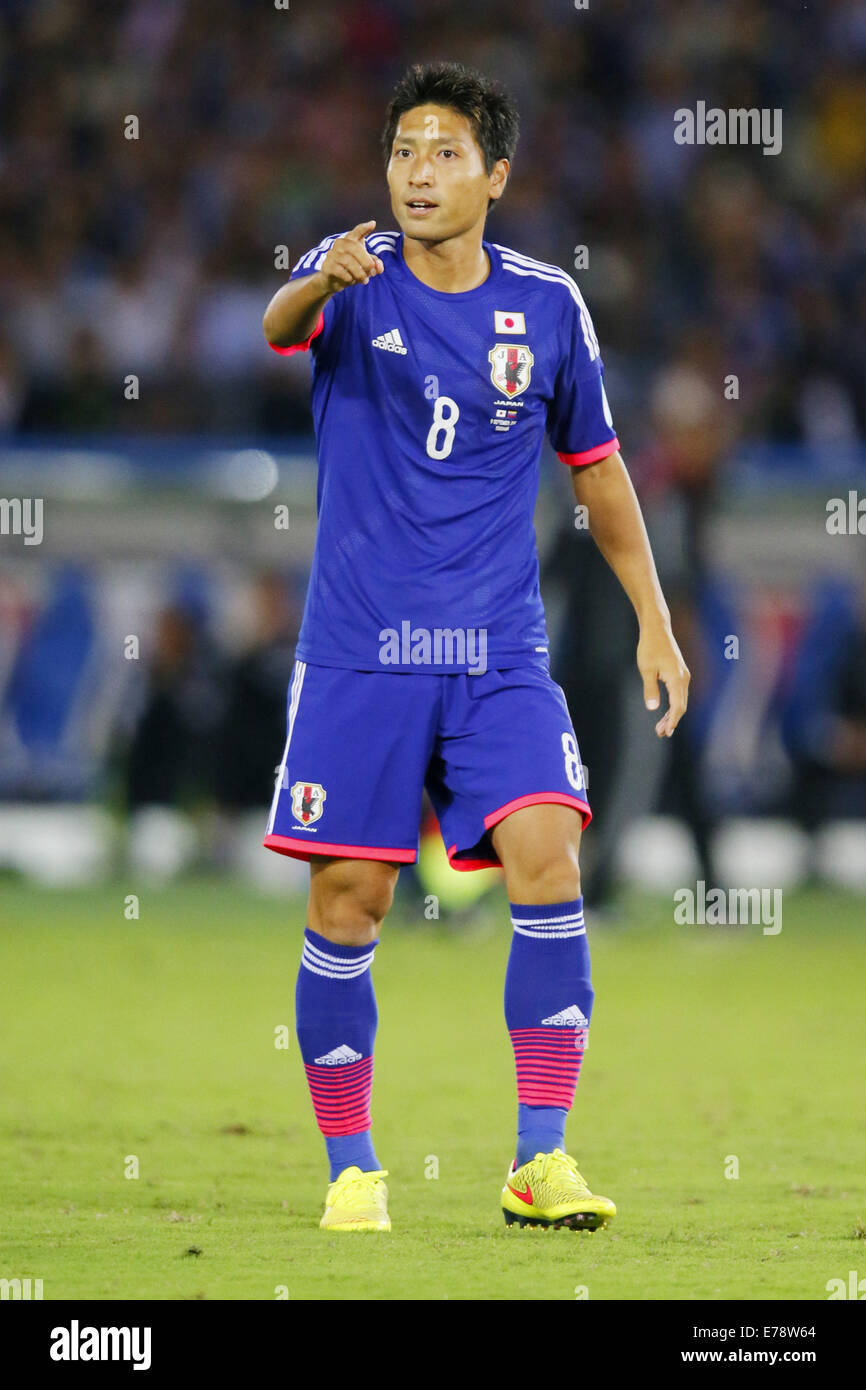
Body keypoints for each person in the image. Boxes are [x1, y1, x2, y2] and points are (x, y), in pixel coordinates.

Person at [262, 61, 689, 1234]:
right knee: (346, 902)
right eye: (403, 151)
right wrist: (316, 278)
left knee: (550, 857)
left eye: (444, 153)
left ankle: (537, 1160)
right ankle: (352, 1168)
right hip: (360, 652)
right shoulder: (348, 270)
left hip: (497, 650)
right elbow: (274, 325)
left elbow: (596, 472)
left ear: (494, 175)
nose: (417, 172)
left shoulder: (548, 304)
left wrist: (653, 618)